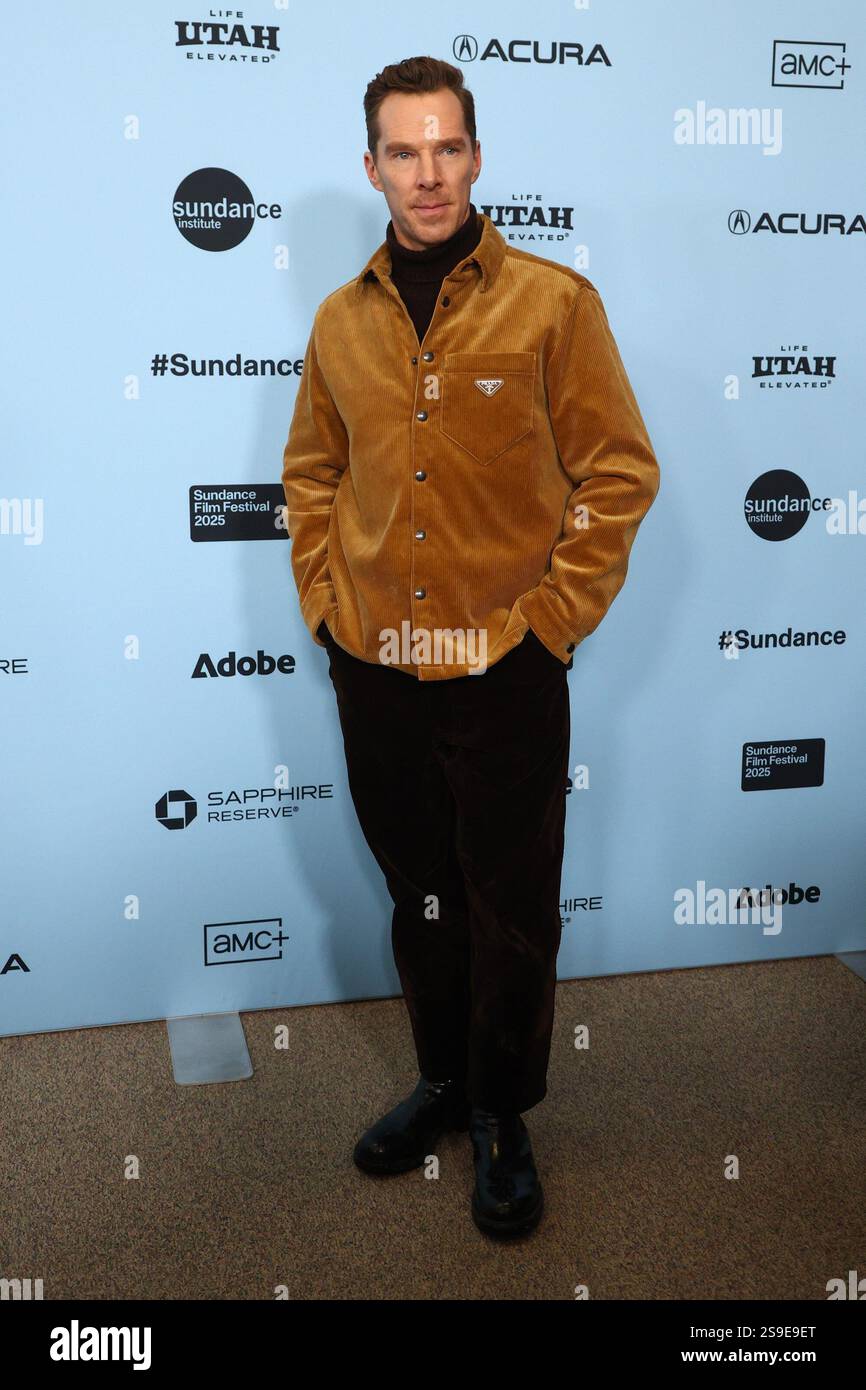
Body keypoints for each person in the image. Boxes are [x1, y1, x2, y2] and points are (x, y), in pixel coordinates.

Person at [281, 55, 660, 1240]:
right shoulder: (339, 320)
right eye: (403, 150)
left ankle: (502, 1113)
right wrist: (325, 605)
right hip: (374, 668)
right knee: (422, 896)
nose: (427, 172)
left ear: (477, 158)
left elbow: (617, 473)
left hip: (503, 670)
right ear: (372, 167)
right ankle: (441, 1081)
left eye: (447, 147)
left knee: (508, 907)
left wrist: (545, 629)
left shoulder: (552, 304)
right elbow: (311, 476)